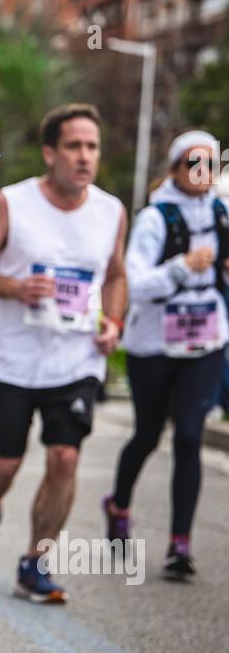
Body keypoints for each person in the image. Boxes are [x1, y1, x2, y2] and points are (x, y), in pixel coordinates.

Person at [0, 104, 126, 604]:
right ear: (50, 153)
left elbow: (115, 275)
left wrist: (113, 322)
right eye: (74, 146)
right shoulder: (15, 201)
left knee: (64, 456)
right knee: (6, 464)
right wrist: (13, 287)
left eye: (92, 147)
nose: (84, 157)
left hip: (75, 361)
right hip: (11, 358)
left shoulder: (111, 211)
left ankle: (35, 562)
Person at [104, 130, 229, 580]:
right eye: (192, 162)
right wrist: (181, 268)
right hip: (154, 344)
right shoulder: (157, 218)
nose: (202, 172)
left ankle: (180, 543)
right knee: (148, 434)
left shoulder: (222, 212)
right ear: (175, 168)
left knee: (190, 438)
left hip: (205, 341)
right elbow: (135, 284)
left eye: (209, 164)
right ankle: (118, 504)